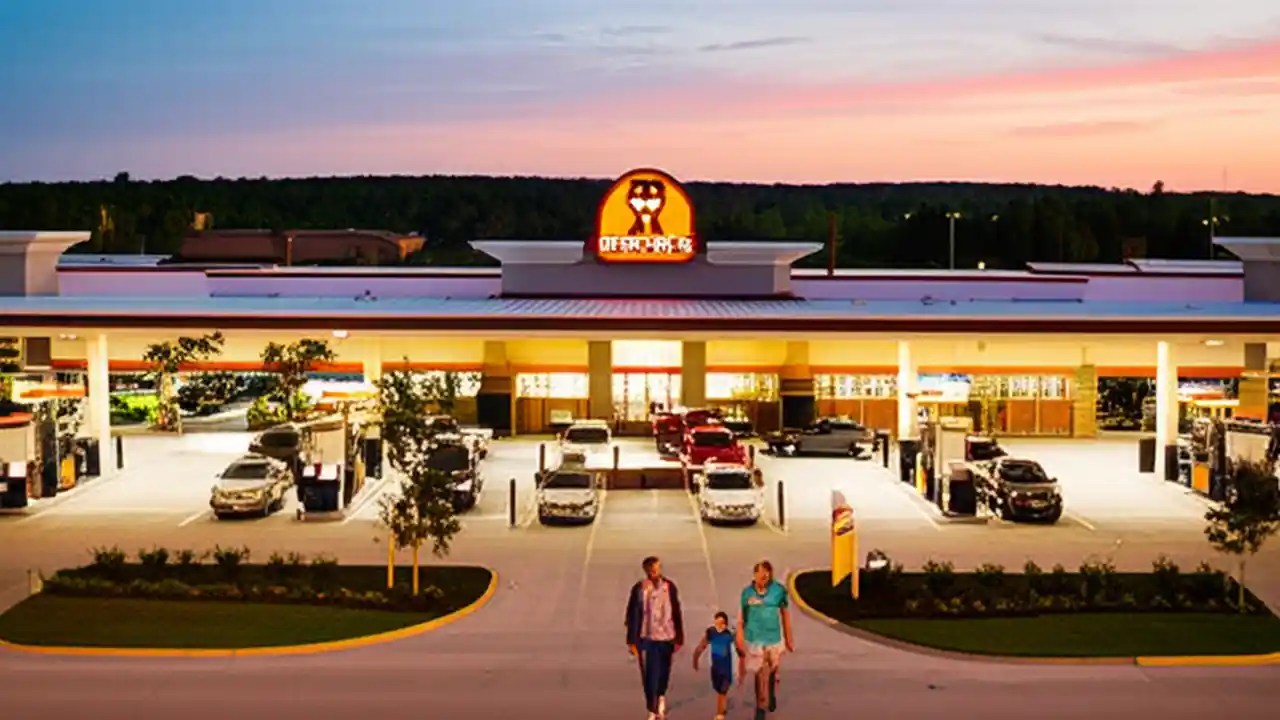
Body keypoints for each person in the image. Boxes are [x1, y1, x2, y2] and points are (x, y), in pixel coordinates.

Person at [625, 556, 685, 720]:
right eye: (656, 568)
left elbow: (676, 610)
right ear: (649, 570)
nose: (658, 571)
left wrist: (679, 636)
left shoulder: (669, 586)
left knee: (664, 671)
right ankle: (651, 708)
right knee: (649, 674)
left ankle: (661, 696)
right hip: (647, 638)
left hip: (667, 636)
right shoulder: (639, 589)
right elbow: (631, 615)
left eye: (659, 567)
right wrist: (631, 641)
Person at [736, 560, 794, 720]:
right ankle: (760, 705)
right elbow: (742, 617)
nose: (763, 577)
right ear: (755, 575)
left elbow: (784, 613)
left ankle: (770, 692)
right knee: (759, 672)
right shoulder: (747, 593)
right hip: (754, 639)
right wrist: (740, 636)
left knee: (771, 669)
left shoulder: (779, 591)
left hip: (773, 638)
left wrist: (789, 637)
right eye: (761, 574)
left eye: (766, 574)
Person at [692, 611, 741, 720]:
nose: (719, 626)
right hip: (715, 668)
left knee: (722, 691)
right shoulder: (711, 633)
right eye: (717, 623)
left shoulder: (729, 634)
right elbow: (701, 646)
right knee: (718, 689)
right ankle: (722, 708)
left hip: (726, 669)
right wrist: (695, 659)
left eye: (722, 623)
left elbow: (739, 648)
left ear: (726, 624)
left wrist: (742, 664)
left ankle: (720, 714)